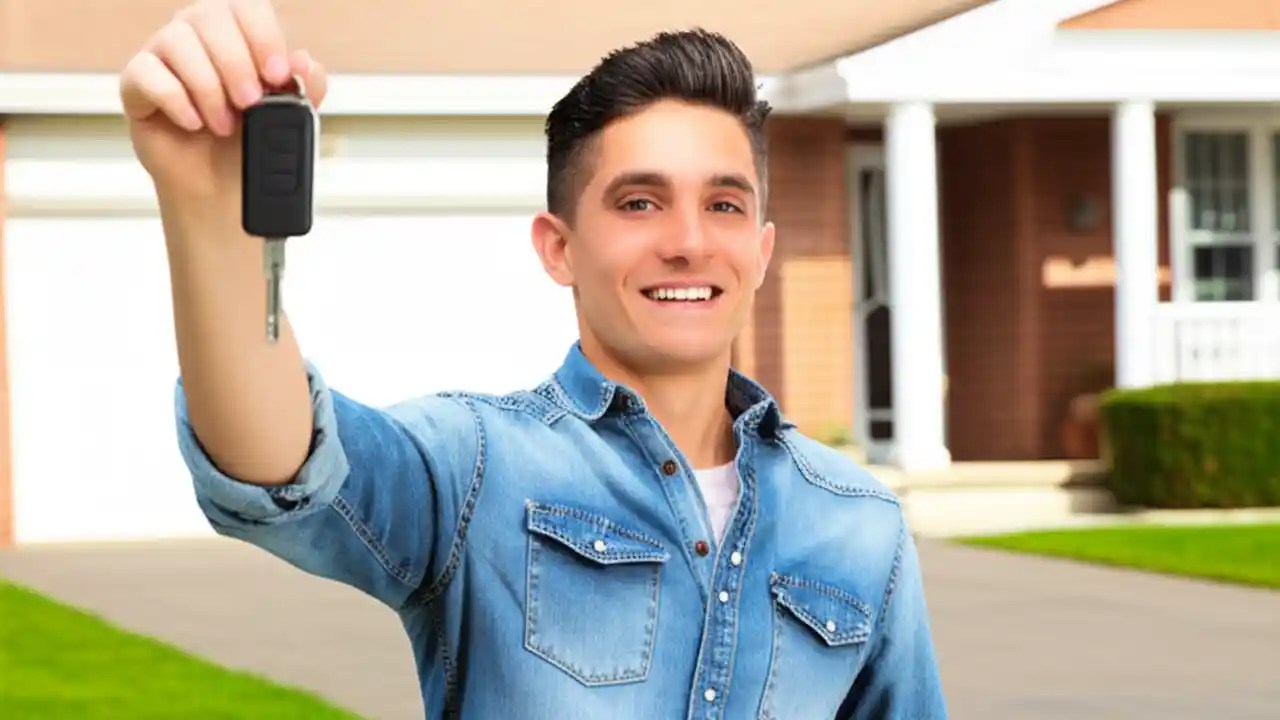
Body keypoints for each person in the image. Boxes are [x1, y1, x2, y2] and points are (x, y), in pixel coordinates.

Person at [119, 1, 948, 717]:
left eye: (723, 204)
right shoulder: (477, 466)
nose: (690, 241)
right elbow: (279, 469)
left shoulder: (859, 525)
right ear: (560, 249)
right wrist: (209, 220)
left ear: (761, 252)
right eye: (639, 202)